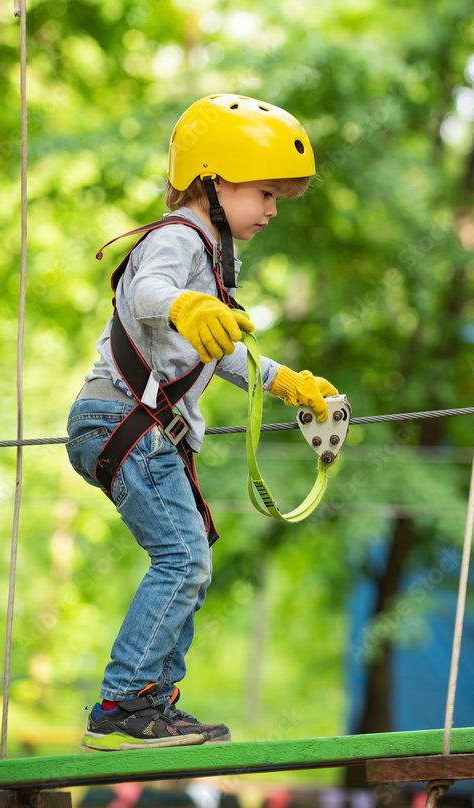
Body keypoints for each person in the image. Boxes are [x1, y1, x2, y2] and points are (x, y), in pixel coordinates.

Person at [66, 93, 338, 751]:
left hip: (136, 425)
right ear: (216, 179)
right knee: (182, 558)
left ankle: (153, 704)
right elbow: (148, 294)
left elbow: (214, 350)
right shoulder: (179, 237)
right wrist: (187, 304)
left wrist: (284, 383)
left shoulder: (214, 252)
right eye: (265, 194)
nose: (272, 211)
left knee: (188, 559)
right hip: (121, 419)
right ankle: (123, 706)